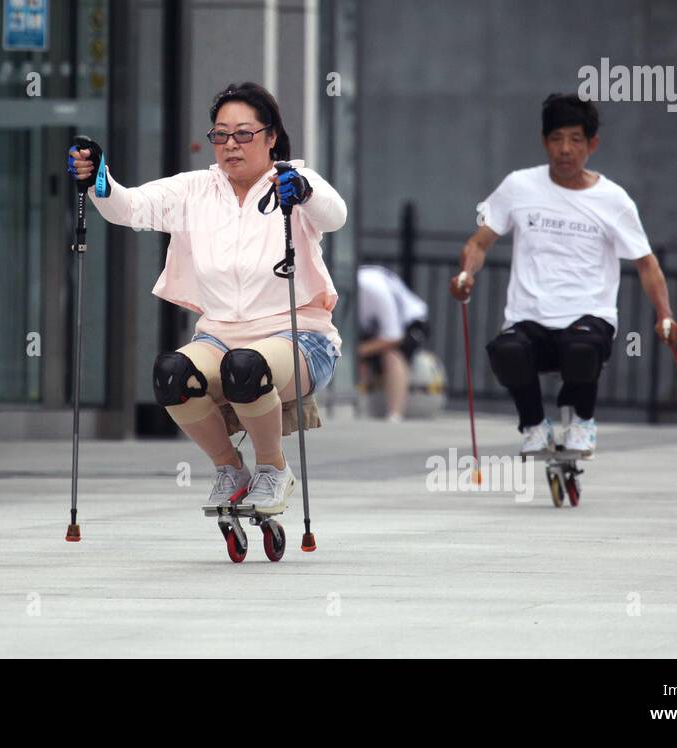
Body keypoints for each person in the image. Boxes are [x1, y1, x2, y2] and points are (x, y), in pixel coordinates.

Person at [67, 82, 347, 515]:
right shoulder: (195, 190)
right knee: (172, 374)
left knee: (246, 366)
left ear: (271, 137)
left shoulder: (294, 182)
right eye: (220, 135)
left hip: (299, 339)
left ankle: (273, 469)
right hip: (219, 337)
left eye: (244, 134)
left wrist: (304, 192)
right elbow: (129, 208)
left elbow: (335, 213)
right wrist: (100, 178)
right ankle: (230, 469)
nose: (230, 145)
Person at [448, 93, 677, 457]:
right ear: (544, 142)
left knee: (580, 349)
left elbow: (646, 263)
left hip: (589, 317)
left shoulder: (613, 200)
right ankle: (534, 427)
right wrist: (466, 274)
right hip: (530, 317)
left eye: (575, 139)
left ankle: (581, 420)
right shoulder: (519, 186)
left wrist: (665, 314)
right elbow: (479, 243)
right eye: (556, 139)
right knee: (505, 350)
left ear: (592, 144)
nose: (565, 149)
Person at [356, 264, 429, 422]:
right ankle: (358, 407)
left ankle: (395, 414)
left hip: (409, 323)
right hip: (374, 326)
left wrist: (360, 351)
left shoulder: (373, 288)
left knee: (392, 354)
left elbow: (393, 337)